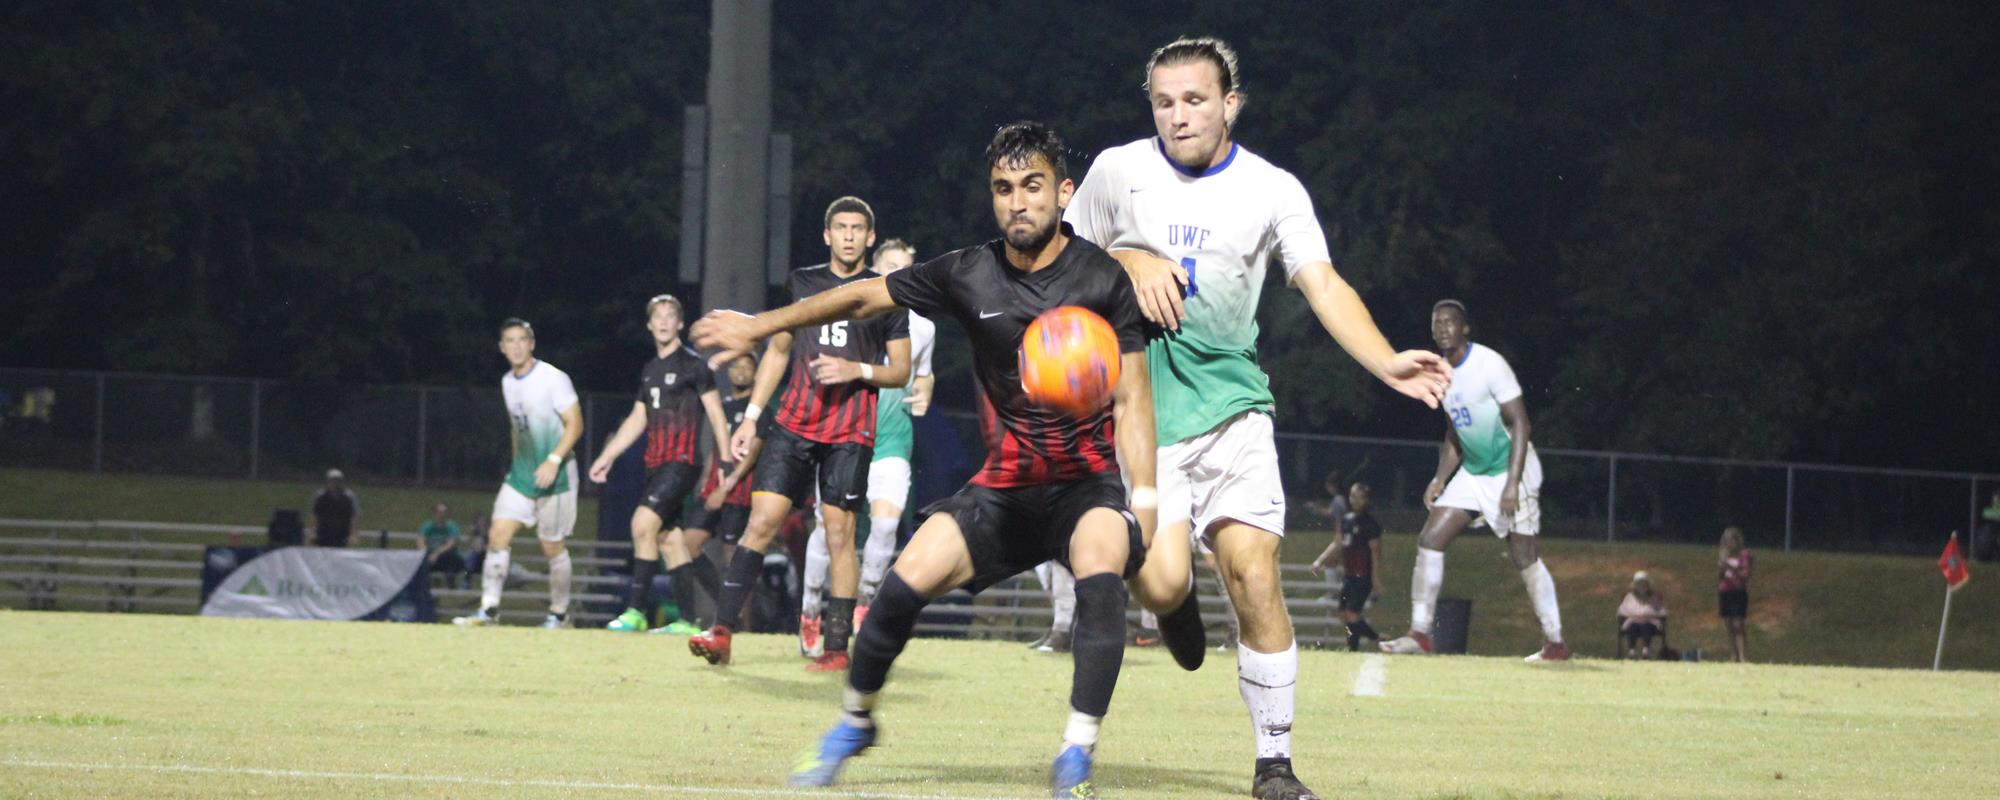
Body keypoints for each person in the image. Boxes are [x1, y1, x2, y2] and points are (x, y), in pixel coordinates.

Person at [696, 121, 1194, 797]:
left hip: (1084, 484)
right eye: (1003, 189)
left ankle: (1076, 752)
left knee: (1104, 573)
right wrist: (761, 324)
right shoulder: (968, 272)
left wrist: (1142, 501)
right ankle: (855, 721)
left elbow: (1134, 398)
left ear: (1063, 193)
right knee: (901, 585)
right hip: (1004, 487)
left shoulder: (1102, 279)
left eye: (1033, 187)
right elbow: (864, 294)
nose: (1018, 202)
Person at [1065, 36, 1451, 799]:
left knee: (1254, 572)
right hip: (1143, 421)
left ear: (1230, 103)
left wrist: (1384, 362)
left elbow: (1323, 284)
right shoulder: (1118, 171)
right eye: (1165, 102)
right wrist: (1129, 261)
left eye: (1196, 100)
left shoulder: (1273, 189)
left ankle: (1274, 765)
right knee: (1164, 585)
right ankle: (1177, 609)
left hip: (1235, 410)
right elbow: (1059, 256)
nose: (1179, 117)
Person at [685, 195, 913, 673]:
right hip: (793, 423)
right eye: (841, 228)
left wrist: (855, 369)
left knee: (838, 533)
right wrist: (751, 416)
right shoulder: (802, 284)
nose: (849, 235)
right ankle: (722, 631)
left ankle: (835, 649)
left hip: (850, 429)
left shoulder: (885, 294)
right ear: (827, 235)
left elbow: (900, 372)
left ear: (870, 239)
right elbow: (776, 353)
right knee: (761, 521)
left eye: (858, 229)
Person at [1381, 300, 1569, 662]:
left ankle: (1555, 642)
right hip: (1475, 471)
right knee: (1430, 539)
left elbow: (1520, 424)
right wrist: (1440, 478)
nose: (1443, 328)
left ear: (1465, 328)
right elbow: (1455, 432)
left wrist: (1513, 484)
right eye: (1437, 323)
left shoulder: (1489, 364)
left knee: (1524, 556)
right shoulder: (1439, 372)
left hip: (1511, 471)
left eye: (1450, 322)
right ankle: (1419, 633)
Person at [800, 238, 938, 656]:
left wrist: (926, 392)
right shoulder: (849, 315)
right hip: (844, 436)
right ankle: (809, 610)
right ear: (873, 270)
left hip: (892, 440)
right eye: (890, 267)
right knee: (828, 531)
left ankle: (863, 602)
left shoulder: (923, 326)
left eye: (905, 268)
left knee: (884, 526)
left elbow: (924, 374)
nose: (897, 275)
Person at [587, 295, 734, 634]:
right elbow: (638, 418)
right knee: (670, 540)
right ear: (650, 325)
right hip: (654, 465)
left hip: (681, 464)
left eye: (671, 316)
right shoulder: (650, 369)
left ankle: (635, 611)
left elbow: (715, 413)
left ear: (680, 324)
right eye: (658, 317)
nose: (665, 321)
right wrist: (606, 458)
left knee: (642, 524)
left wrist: (724, 459)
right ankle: (686, 620)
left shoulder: (694, 365)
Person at [454, 318, 582, 629]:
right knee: (497, 535)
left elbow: (575, 424)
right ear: (502, 348)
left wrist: (552, 460)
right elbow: (517, 428)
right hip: (522, 476)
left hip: (558, 474)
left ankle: (560, 614)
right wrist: (516, 466)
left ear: (532, 343)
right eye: (509, 341)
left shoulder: (554, 378)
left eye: (521, 339)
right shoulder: (507, 382)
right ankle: (489, 610)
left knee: (551, 547)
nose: (516, 346)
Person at [674, 352, 767, 631]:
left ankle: (744, 626)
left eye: (746, 366)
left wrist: (727, 486)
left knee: (736, 559)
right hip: (713, 489)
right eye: (735, 366)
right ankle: (727, 610)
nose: (740, 371)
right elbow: (717, 450)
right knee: (688, 544)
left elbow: (752, 453)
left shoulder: (758, 410)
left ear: (756, 373)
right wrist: (706, 478)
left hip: (739, 493)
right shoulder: (723, 406)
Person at [1311, 483, 1384, 652]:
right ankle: (1354, 648)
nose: (1355, 501)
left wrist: (1375, 579)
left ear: (1366, 500)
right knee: (1343, 614)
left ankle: (1374, 638)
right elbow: (1337, 542)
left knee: (1351, 614)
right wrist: (1320, 560)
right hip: (1350, 575)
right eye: (1353, 497)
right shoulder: (1346, 519)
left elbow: (1375, 552)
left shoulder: (1370, 523)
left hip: (1363, 575)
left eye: (1360, 498)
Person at [1719, 526, 1753, 662]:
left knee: (1738, 624)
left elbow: (1745, 574)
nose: (1729, 544)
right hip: (1725, 591)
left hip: (1738, 591)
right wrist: (1721, 569)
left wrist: (1730, 567)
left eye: (1731, 540)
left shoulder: (1745, 554)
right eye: (1726, 541)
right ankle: (1733, 655)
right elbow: (1720, 577)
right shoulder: (1724, 555)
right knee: (1728, 624)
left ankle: (1742, 655)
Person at [1617, 570, 1669, 659]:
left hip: (1650, 623)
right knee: (1632, 627)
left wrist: (1650, 615)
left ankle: (1646, 651)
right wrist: (1635, 615)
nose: (1641, 587)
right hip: (1633, 622)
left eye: (1644, 584)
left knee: (1646, 626)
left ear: (1647, 585)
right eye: (1639, 584)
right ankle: (1632, 651)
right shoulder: (1629, 597)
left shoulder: (1653, 597)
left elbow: (1662, 611)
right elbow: (1621, 610)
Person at [309, 469, 362, 547]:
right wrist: (313, 533)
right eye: (332, 480)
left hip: (343, 535)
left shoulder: (349, 497)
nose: (335, 483)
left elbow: (354, 517)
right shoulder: (320, 496)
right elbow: (315, 516)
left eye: (337, 481)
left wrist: (353, 535)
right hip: (323, 534)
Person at [419, 503, 466, 583]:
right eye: (439, 512)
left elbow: (450, 544)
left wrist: (436, 553)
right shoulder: (427, 526)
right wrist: (426, 553)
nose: (442, 515)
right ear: (434, 513)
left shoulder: (451, 526)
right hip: (431, 556)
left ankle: (450, 579)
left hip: (447, 556)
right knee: (421, 559)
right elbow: (420, 542)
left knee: (452, 557)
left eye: (444, 512)